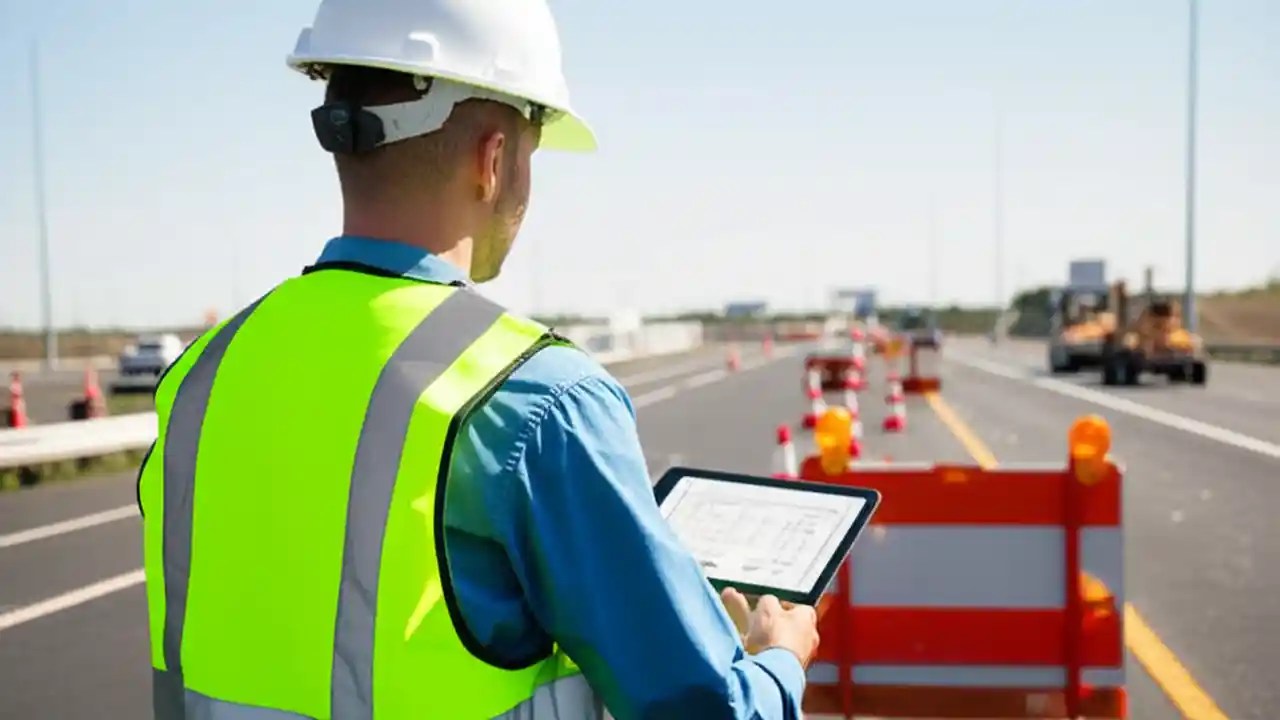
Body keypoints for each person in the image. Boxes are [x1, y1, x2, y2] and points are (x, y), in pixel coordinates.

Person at [137, 0, 819, 718]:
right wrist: (777, 660)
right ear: (494, 161)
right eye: (530, 152)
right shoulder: (535, 396)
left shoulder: (202, 375)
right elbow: (707, 709)